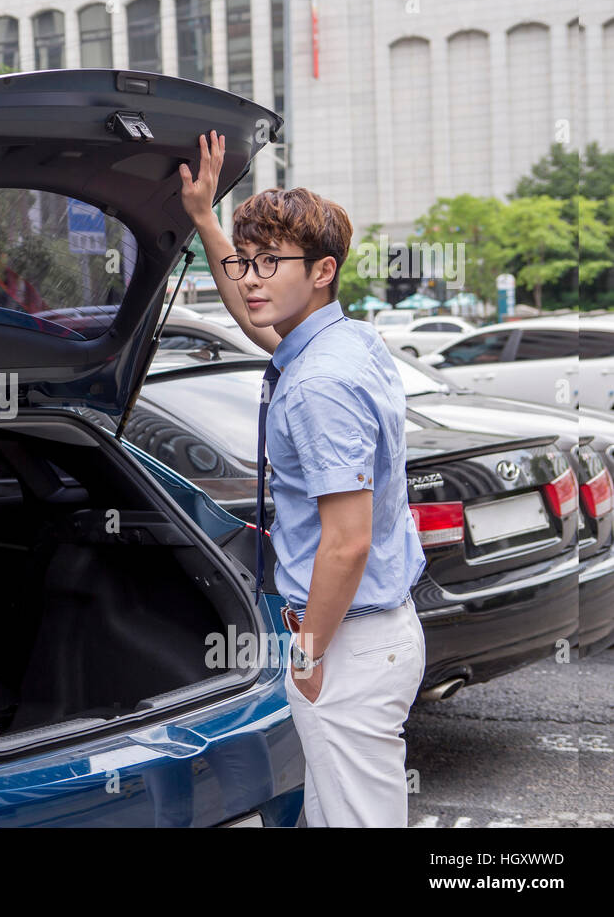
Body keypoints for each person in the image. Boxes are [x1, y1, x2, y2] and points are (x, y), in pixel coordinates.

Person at [178, 131, 426, 827]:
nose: (251, 277)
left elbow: (344, 544)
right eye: (245, 262)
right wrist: (204, 218)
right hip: (373, 630)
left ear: (322, 270)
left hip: (349, 643)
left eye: (269, 264)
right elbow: (251, 317)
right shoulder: (347, 338)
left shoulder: (319, 382)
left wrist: (309, 655)